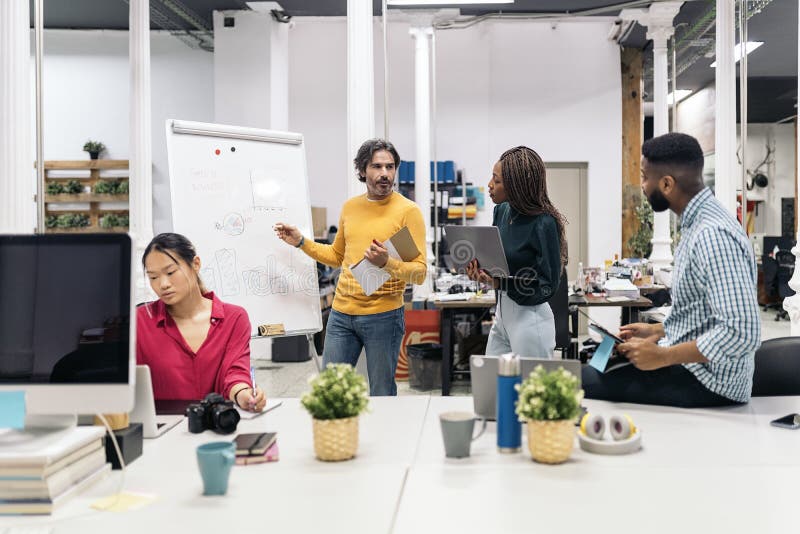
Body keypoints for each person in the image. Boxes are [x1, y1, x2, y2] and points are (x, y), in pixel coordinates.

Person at [582, 132, 761, 407]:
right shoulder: (697, 224)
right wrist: (660, 331)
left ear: (666, 184)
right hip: (691, 368)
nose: (641, 185)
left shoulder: (712, 234)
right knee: (597, 361)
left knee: (583, 383)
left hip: (708, 381)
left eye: (644, 176)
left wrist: (663, 356)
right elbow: (707, 314)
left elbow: (741, 333)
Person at [274, 139, 427, 396]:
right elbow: (336, 256)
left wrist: (386, 263)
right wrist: (301, 242)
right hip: (342, 315)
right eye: (377, 166)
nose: (384, 174)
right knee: (331, 391)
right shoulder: (350, 207)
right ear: (362, 170)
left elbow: (420, 272)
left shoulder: (408, 211)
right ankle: (338, 437)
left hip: (384, 316)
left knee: (381, 393)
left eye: (390, 167)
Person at [137, 233, 266, 412]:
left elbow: (235, 373)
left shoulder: (234, 318)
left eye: (170, 272)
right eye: (153, 277)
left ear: (195, 264)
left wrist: (244, 394)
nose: (163, 284)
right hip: (164, 433)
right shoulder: (139, 322)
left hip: (219, 428)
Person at [466, 146, 567, 358]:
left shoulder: (544, 223)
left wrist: (500, 283)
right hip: (502, 316)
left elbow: (547, 285)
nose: (489, 185)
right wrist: (480, 270)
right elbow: (498, 261)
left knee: (530, 390)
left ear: (516, 186)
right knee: (492, 386)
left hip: (530, 321)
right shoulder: (501, 211)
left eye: (497, 180)